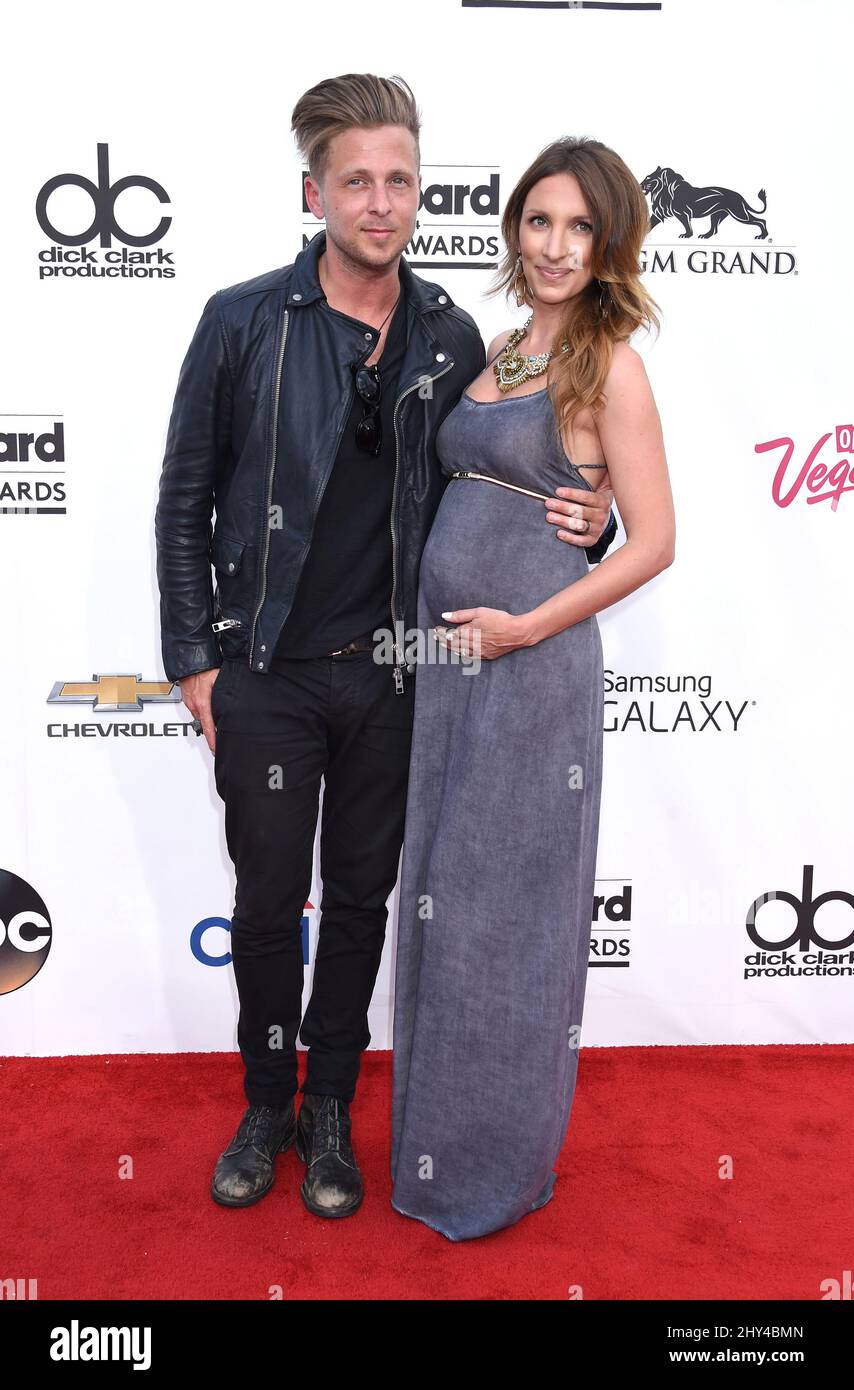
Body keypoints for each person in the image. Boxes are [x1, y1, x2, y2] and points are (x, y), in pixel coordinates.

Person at [154, 75, 617, 1222]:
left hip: (396, 674)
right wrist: (193, 659)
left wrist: (592, 513)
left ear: (420, 192)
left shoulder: (453, 336)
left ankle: (329, 1116)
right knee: (268, 905)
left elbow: (516, 457)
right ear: (314, 191)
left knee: (362, 903)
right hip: (261, 669)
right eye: (354, 180)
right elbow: (184, 498)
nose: (378, 201)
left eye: (397, 179)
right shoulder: (242, 320)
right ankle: (266, 1103)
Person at [390, 135, 676, 1241]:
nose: (553, 246)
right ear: (515, 229)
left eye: (577, 228)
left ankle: (488, 1170)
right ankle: (433, 1146)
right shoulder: (499, 343)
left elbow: (649, 544)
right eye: (537, 221)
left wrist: (522, 628)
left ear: (606, 248)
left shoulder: (613, 364)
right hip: (452, 666)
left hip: (529, 671)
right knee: (441, 900)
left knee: (500, 920)